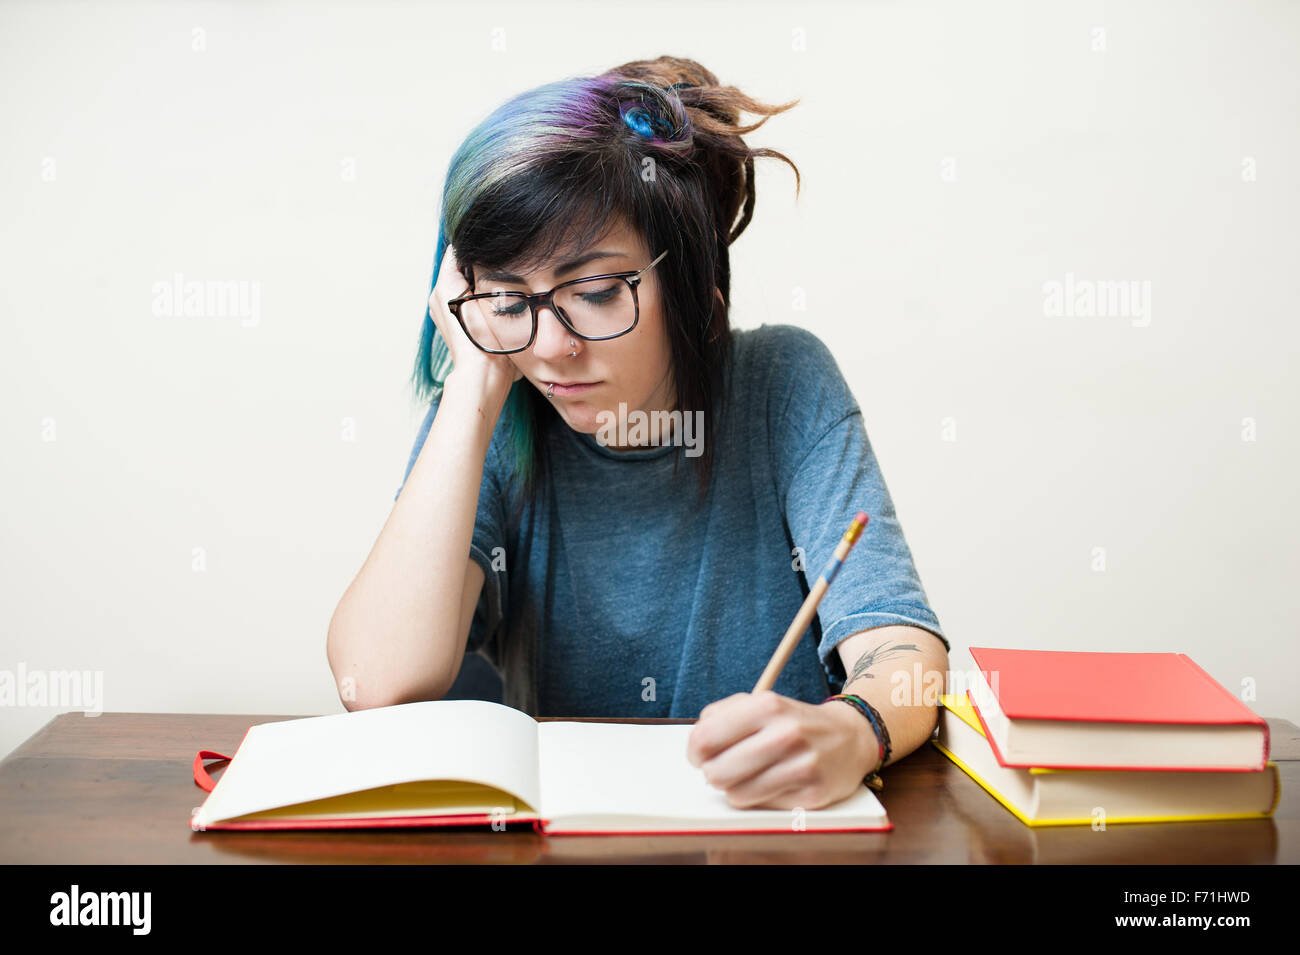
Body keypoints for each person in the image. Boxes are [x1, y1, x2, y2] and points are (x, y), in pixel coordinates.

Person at [327, 55, 950, 811]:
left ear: (686, 280)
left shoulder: (784, 383)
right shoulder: (493, 414)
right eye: (508, 297)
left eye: (592, 293)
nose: (551, 346)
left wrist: (853, 731)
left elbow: (901, 646)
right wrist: (473, 384)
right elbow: (377, 680)